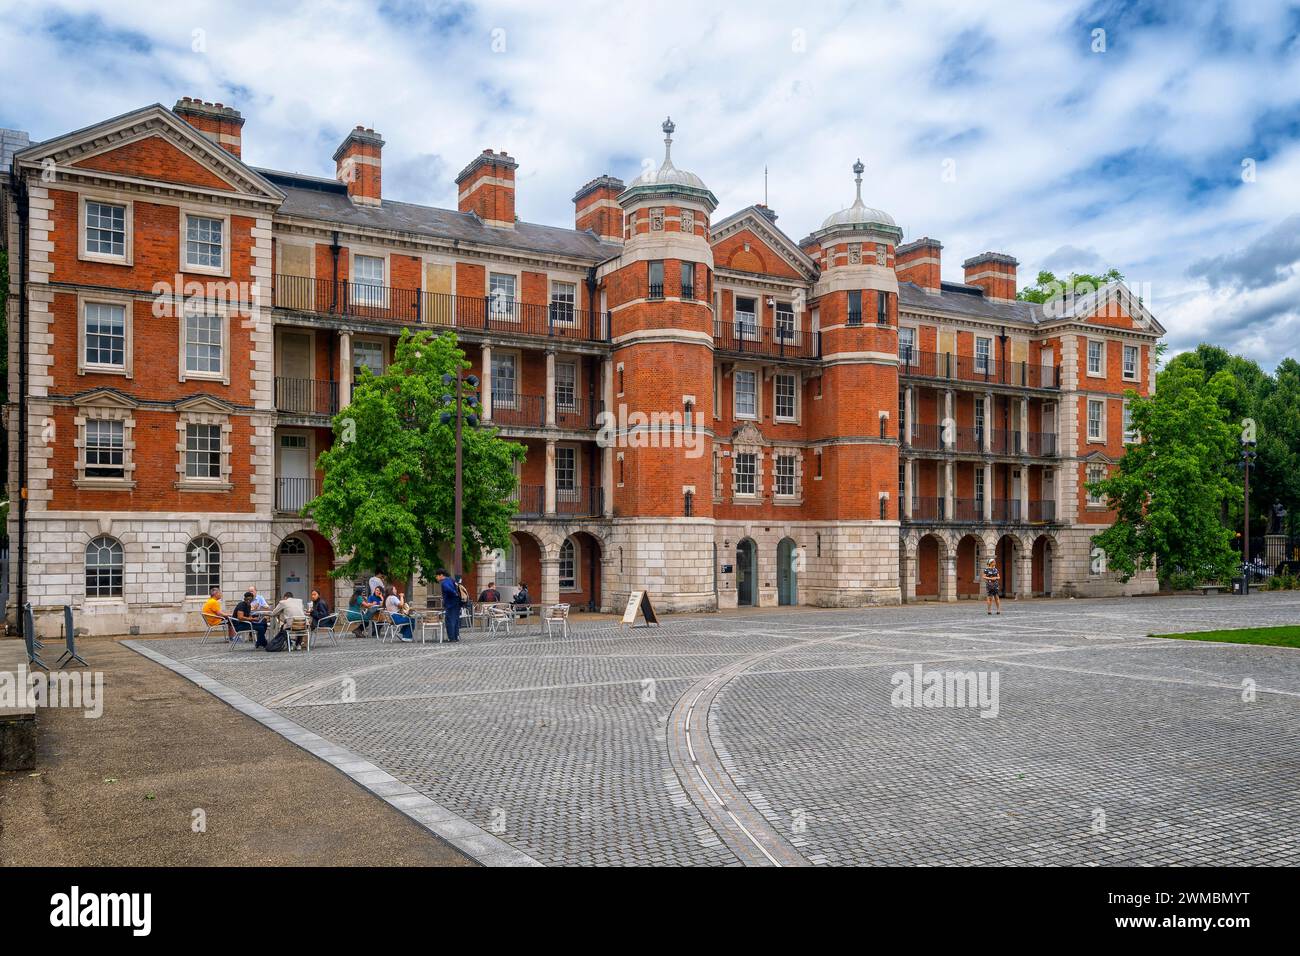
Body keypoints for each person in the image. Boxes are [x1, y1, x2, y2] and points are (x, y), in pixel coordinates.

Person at [438, 569, 462, 643]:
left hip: (450, 604)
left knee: (450, 620)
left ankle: (451, 638)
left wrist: (454, 594)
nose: (436, 578)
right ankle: (456, 636)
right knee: (455, 620)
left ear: (441, 575)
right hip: (457, 603)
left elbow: (449, 590)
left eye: (437, 576)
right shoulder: (451, 580)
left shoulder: (444, 582)